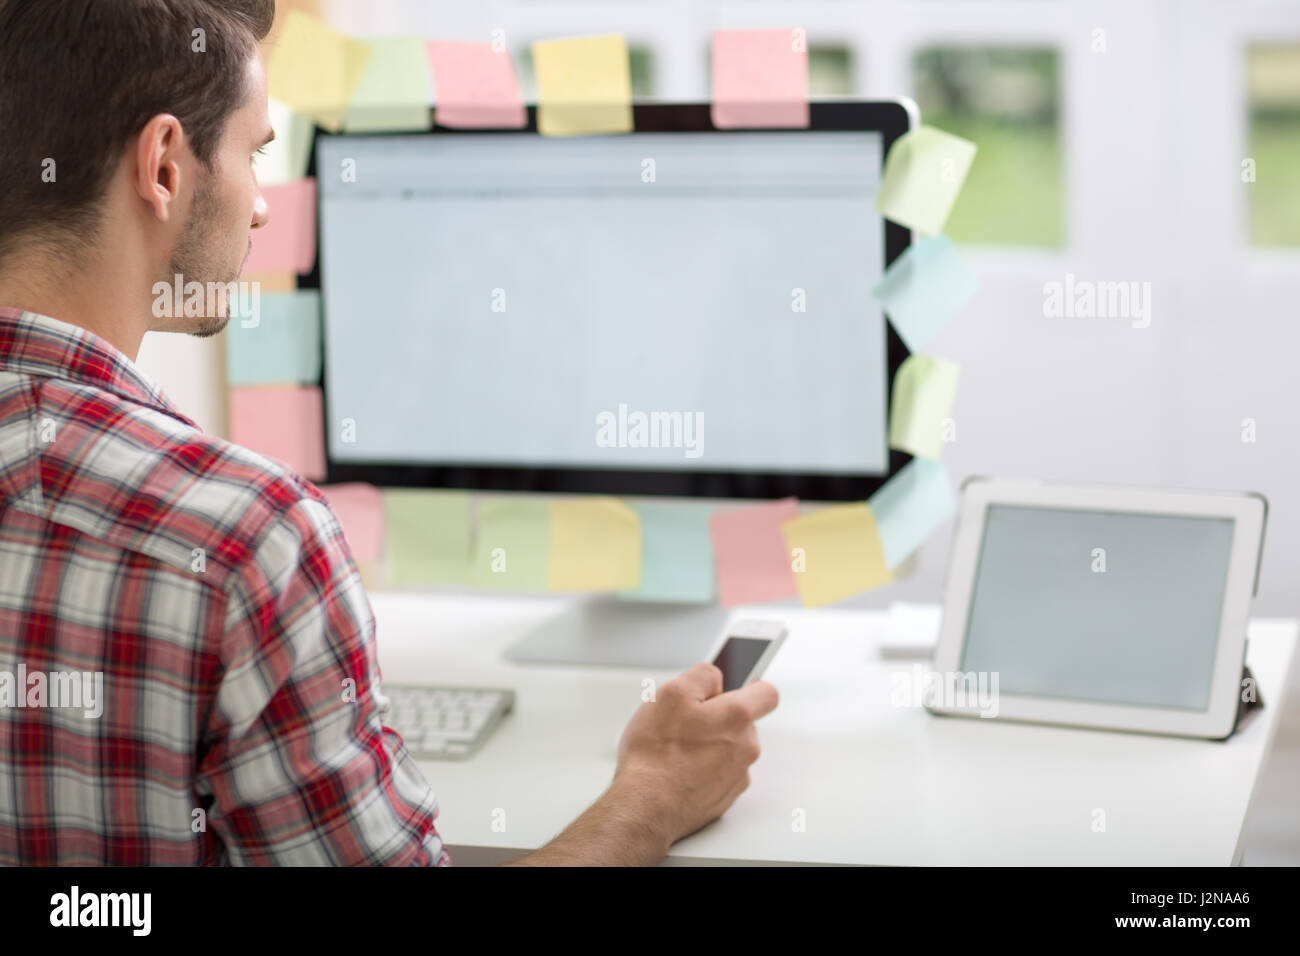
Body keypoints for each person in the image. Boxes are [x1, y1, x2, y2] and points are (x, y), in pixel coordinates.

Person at [0, 0, 778, 866]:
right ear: (166, 166)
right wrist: (653, 795)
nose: (261, 209)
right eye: (254, 154)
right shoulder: (245, 541)